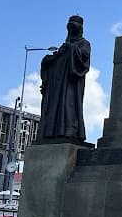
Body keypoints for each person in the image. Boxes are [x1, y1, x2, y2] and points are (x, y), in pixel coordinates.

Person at [38, 15, 91, 143]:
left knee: (69, 106)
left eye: (74, 27)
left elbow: (83, 62)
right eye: (70, 27)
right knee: (55, 106)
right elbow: (57, 60)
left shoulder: (84, 44)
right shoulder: (64, 45)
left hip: (71, 83)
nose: (72, 29)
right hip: (58, 83)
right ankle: (53, 132)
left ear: (80, 28)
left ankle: (69, 131)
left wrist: (71, 49)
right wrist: (49, 60)